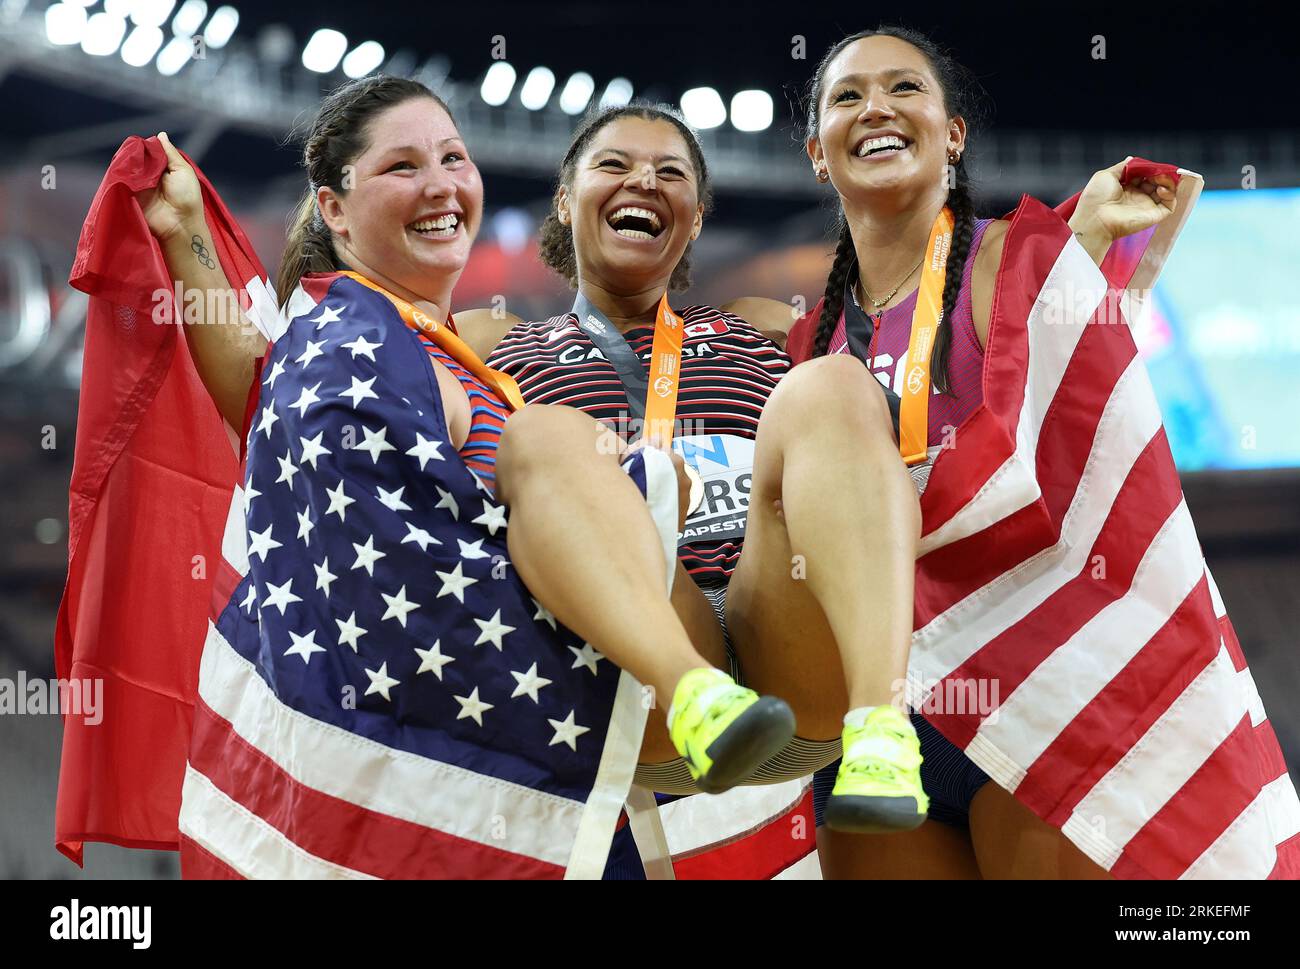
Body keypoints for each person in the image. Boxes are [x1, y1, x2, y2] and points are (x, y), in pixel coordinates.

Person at [136, 76, 814, 876]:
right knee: (545, 439)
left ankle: (875, 724)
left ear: (700, 215)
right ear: (564, 201)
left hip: (750, 680)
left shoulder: (767, 332)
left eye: (454, 157)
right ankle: (696, 689)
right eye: (401, 167)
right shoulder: (460, 345)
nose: (644, 183)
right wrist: (187, 237)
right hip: (582, 704)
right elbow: (272, 392)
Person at [770, 26, 1194, 879]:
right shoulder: (802, 345)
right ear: (819, 154)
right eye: (847, 96)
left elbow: (1084, 382)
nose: (876, 107)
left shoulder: (1019, 258)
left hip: (1031, 686)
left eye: (904, 89)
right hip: (878, 722)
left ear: (952, 135)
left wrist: (1091, 249)